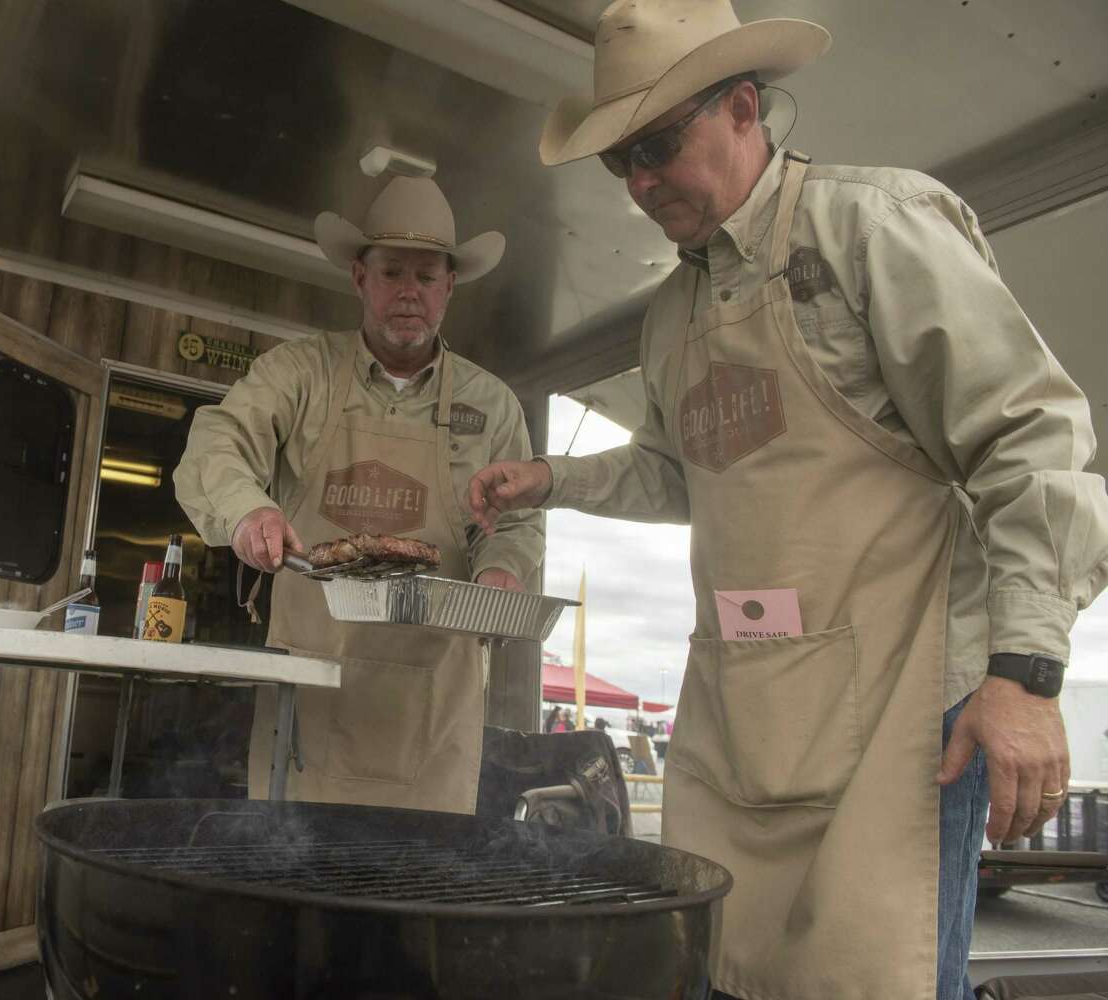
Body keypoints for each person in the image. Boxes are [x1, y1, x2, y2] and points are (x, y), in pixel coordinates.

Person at [467, 2, 1108, 998]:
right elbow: (684, 471)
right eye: (617, 162)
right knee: (722, 975)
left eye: (656, 146)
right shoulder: (671, 311)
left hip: (902, 724)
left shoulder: (872, 228)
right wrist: (555, 479)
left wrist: (1024, 674)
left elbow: (1031, 437)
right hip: (734, 726)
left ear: (742, 105)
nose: (638, 182)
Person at [175, 175, 544, 815]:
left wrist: (504, 570)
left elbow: (513, 524)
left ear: (449, 287)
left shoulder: (493, 405)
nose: (409, 292)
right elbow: (218, 442)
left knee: (418, 892)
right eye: (392, 271)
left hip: (433, 709)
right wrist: (248, 510)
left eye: (427, 277)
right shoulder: (299, 373)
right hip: (308, 698)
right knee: (297, 887)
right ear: (358, 277)